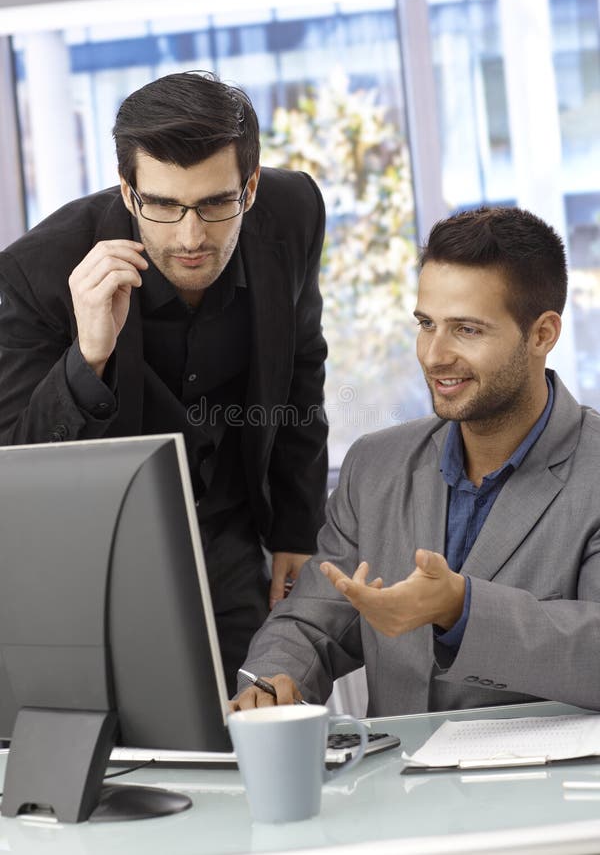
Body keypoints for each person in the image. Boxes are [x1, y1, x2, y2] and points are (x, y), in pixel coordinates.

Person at [0, 71, 328, 696]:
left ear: (250, 187)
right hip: (102, 558)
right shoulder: (36, 273)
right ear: (129, 191)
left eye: (214, 204)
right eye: (163, 205)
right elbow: (14, 469)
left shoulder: (294, 213)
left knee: (256, 735)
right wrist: (87, 356)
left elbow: (302, 368)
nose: (190, 236)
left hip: (234, 534)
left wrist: (297, 527)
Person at [234, 205, 600, 715]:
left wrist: (462, 608)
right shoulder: (375, 465)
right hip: (395, 786)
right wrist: (276, 681)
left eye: (467, 330)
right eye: (427, 324)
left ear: (542, 334)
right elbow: (310, 623)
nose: (433, 355)